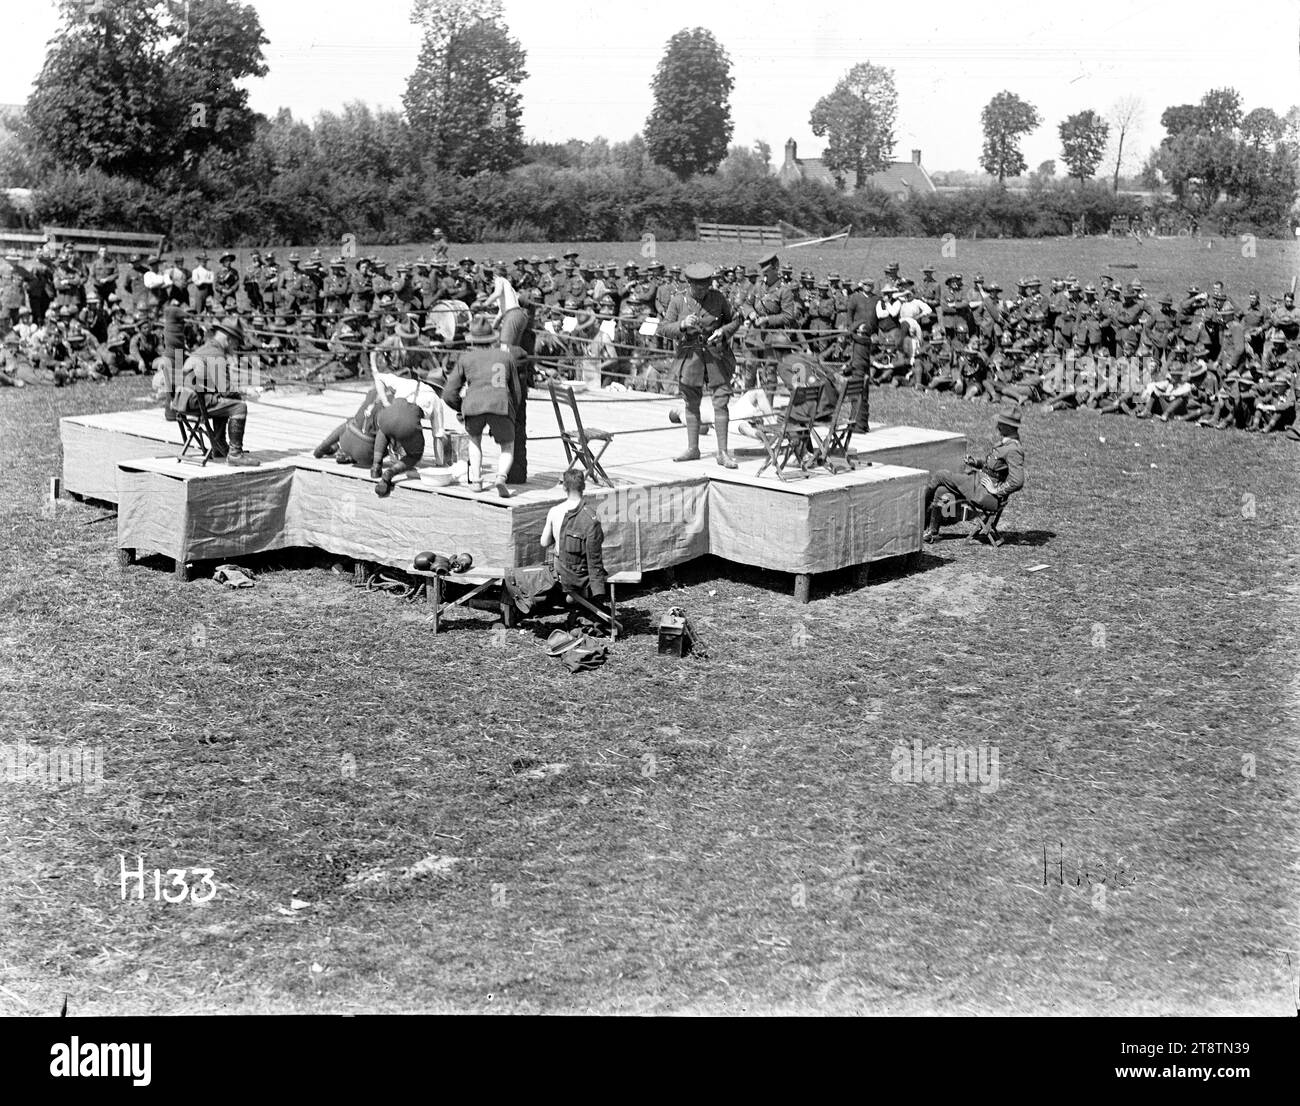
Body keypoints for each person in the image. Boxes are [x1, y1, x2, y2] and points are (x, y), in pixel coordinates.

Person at [659, 261, 742, 468]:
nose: (703, 289)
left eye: (706, 285)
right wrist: (682, 325)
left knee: (721, 400)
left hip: (716, 356)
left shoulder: (718, 298)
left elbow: (735, 320)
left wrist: (724, 331)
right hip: (690, 357)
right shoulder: (678, 301)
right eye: (698, 286)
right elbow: (663, 328)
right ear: (689, 283)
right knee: (691, 401)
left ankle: (722, 452)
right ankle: (692, 448)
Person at [442, 316, 523, 497]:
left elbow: (448, 393)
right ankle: (501, 477)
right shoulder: (506, 357)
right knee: (507, 445)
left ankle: (477, 481)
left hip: (473, 405)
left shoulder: (465, 358)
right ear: (492, 338)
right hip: (501, 404)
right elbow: (517, 392)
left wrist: (461, 407)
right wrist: (512, 414)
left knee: (474, 440)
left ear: (473, 339)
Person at [922, 407, 1025, 542]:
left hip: (985, 493)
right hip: (978, 484)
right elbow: (994, 469)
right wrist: (976, 462)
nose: (997, 426)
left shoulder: (1013, 449)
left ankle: (917, 515)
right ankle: (932, 532)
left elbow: (1018, 481)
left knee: (940, 475)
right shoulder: (1007, 444)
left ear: (1009, 427)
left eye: (1001, 423)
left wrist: (996, 490)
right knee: (942, 490)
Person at [172, 317, 260, 466]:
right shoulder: (216, 354)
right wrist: (246, 390)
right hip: (195, 401)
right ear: (229, 339)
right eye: (236, 343)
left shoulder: (206, 349)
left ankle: (219, 446)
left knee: (226, 402)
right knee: (239, 406)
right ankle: (235, 454)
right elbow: (225, 390)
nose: (235, 347)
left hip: (182, 400)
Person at [540, 468, 609, 622]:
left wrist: (557, 536)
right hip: (580, 572)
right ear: (583, 487)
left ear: (564, 487)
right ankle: (579, 605)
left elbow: (544, 542)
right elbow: (594, 554)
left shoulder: (555, 511)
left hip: (561, 568)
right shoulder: (590, 516)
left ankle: (574, 603)